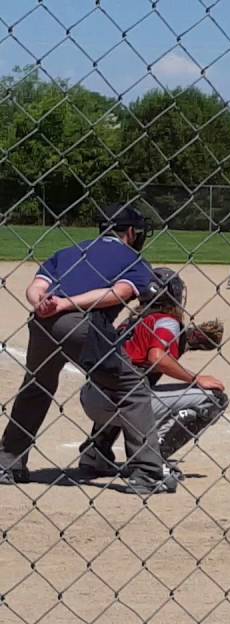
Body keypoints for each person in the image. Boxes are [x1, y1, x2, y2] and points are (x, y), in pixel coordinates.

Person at [0, 204, 171, 494]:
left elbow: (36, 286)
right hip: (82, 324)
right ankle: (147, 473)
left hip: (41, 323)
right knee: (131, 388)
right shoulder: (134, 259)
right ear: (130, 232)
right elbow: (119, 293)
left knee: (37, 386)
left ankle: (8, 462)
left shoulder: (70, 252)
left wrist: (41, 302)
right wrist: (67, 304)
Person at [79, 268, 229, 482]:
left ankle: (96, 452)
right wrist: (195, 378)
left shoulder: (130, 322)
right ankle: (153, 457)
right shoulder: (167, 320)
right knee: (215, 399)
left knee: (135, 379)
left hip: (92, 396)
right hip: (123, 403)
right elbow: (156, 357)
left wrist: (183, 343)